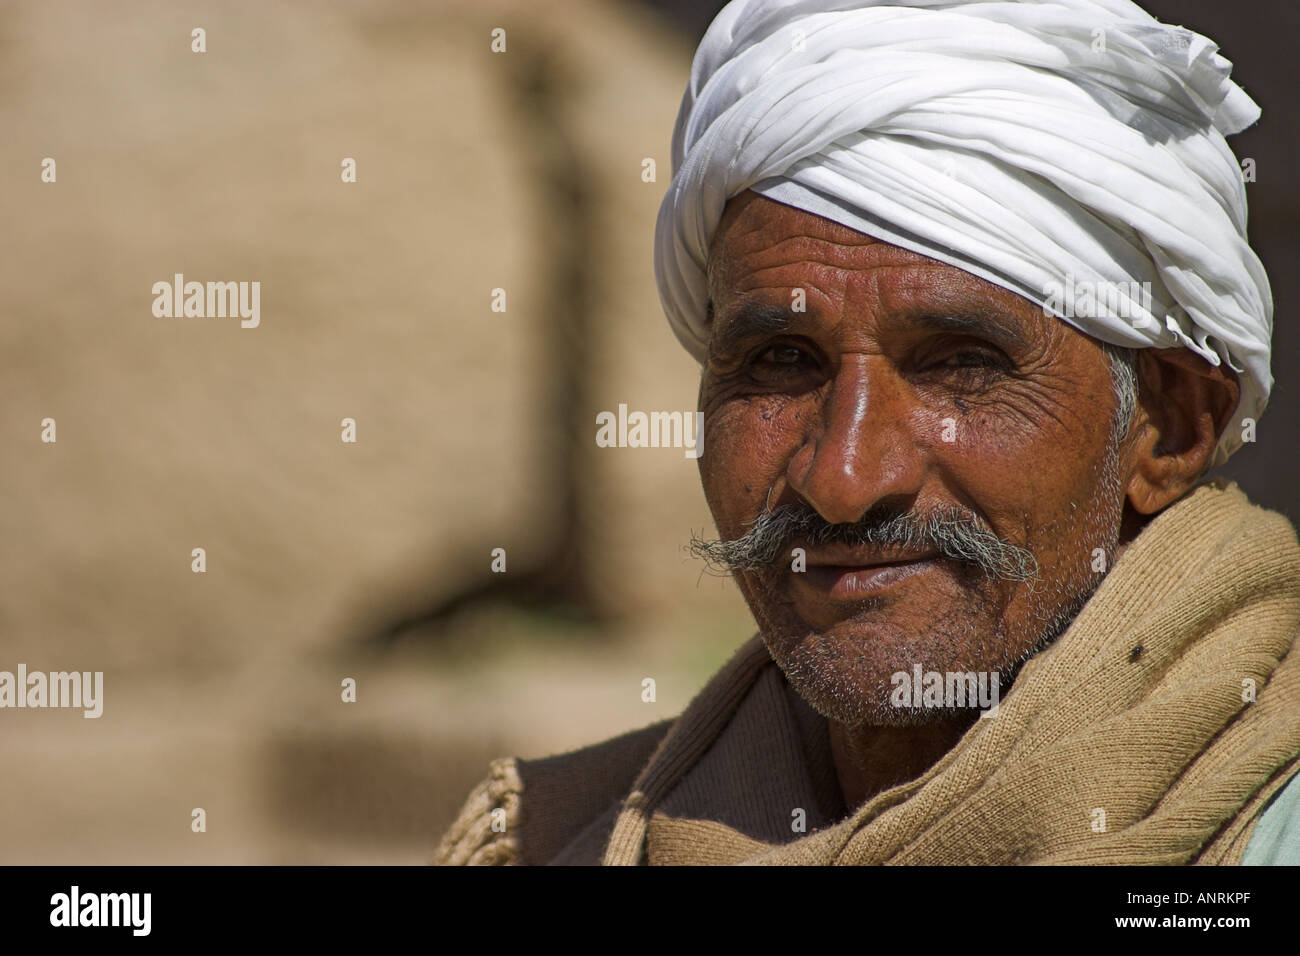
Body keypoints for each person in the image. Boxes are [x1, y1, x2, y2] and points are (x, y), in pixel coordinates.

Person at [435, 0, 1300, 865]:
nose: (842, 478)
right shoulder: (574, 837)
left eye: (962, 365)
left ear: (1171, 426)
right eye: (780, 360)